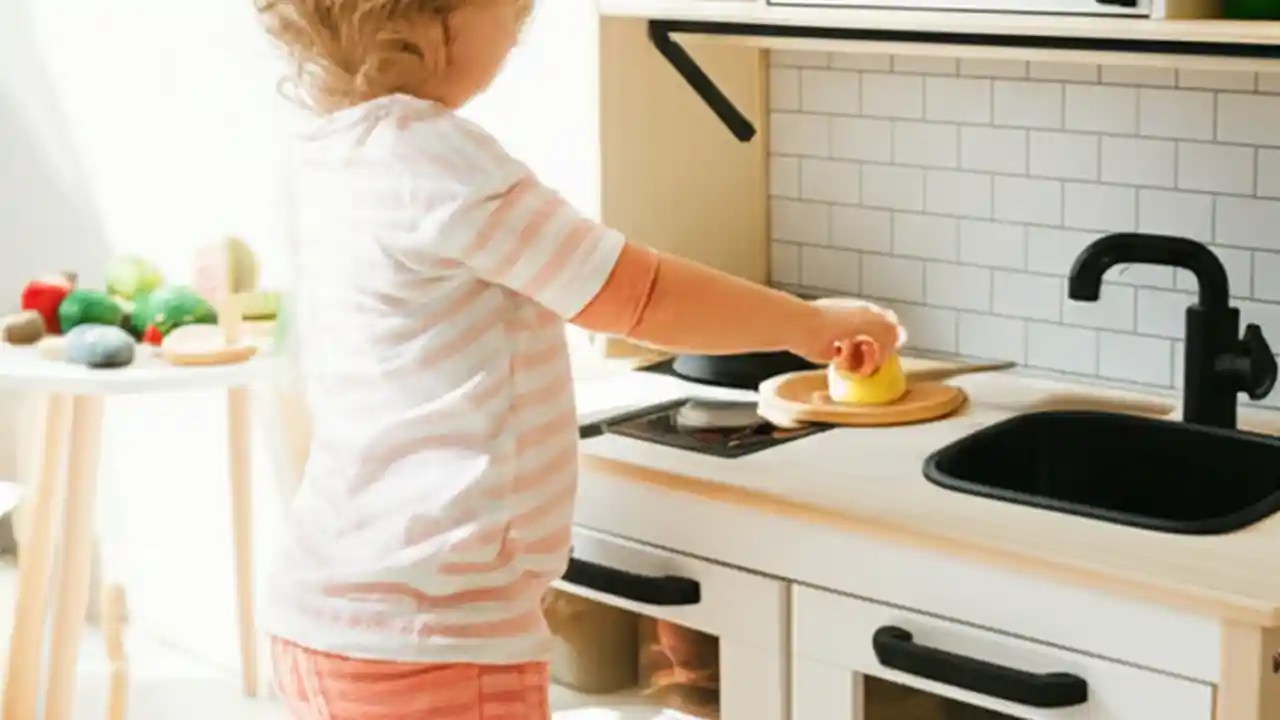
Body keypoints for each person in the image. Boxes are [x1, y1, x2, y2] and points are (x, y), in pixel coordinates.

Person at [254, 1, 905, 717]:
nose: (522, 28)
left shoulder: (326, 152)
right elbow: (637, 295)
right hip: (436, 635)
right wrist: (809, 324)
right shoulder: (436, 158)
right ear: (424, 19)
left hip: (324, 612)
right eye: (513, 12)